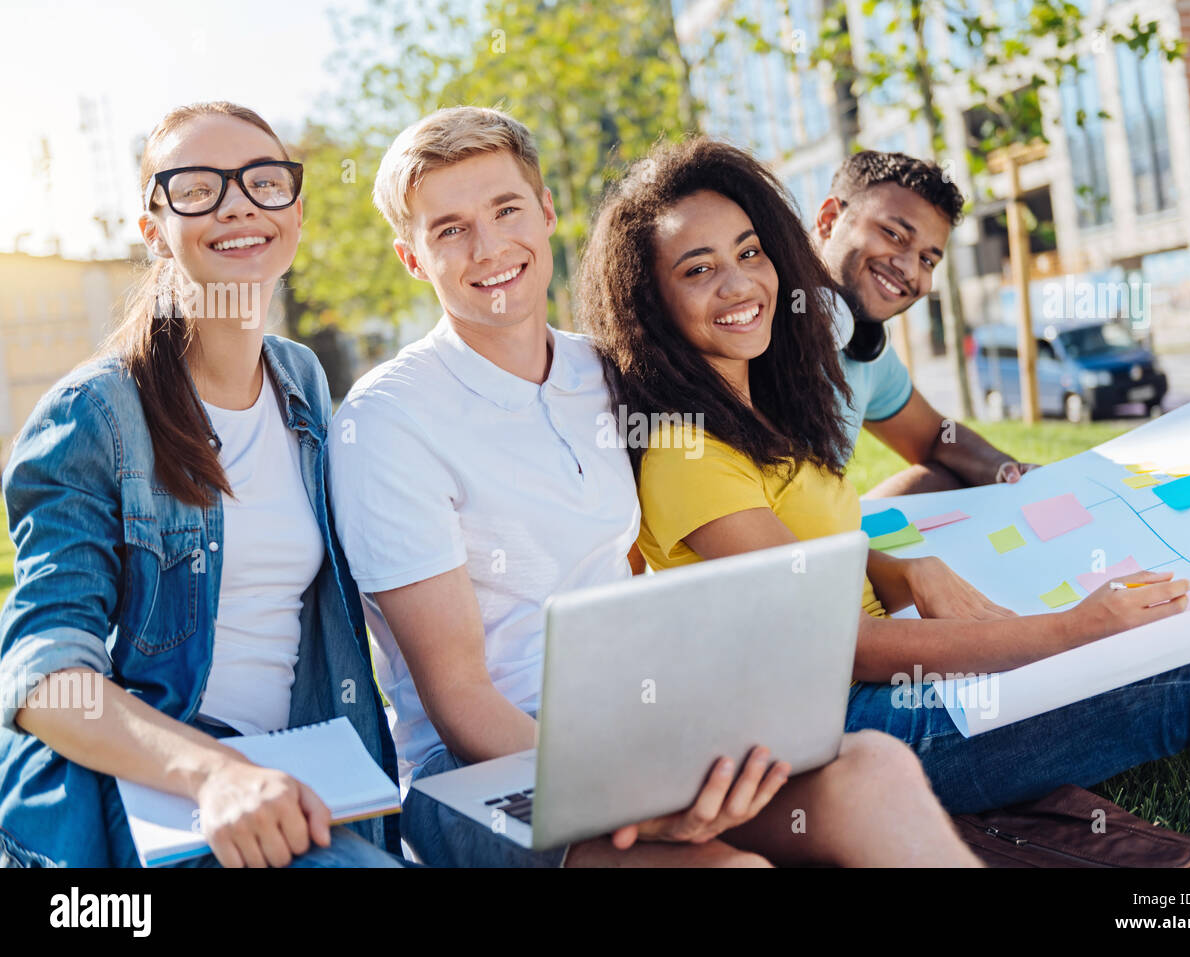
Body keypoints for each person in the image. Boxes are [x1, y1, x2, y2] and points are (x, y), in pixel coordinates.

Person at [328, 106, 980, 867]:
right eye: (450, 229)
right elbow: (463, 700)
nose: (490, 245)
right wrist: (631, 792)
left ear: (545, 212)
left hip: (648, 720)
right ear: (413, 257)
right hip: (488, 773)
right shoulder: (388, 421)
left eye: (507, 209)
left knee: (876, 770)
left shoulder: (606, 373)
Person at [581, 135, 1190, 817]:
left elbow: (824, 543)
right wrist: (1075, 629)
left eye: (749, 252)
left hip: (882, 669)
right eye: (699, 269)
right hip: (851, 725)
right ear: (652, 300)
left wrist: (905, 572)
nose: (740, 283)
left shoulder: (768, 404)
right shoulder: (686, 453)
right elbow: (848, 648)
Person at [0, 102, 402, 868]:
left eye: (263, 181)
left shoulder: (301, 381)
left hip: (300, 771)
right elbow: (46, 673)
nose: (239, 203)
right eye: (197, 188)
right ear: (152, 229)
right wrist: (215, 774)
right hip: (161, 797)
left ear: (297, 211)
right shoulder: (94, 415)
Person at [812, 150, 1036, 497]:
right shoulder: (749, 318)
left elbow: (936, 438)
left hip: (820, 535)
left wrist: (1007, 469)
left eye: (927, 259)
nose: (908, 269)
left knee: (947, 480)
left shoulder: (864, 346)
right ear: (828, 220)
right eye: (894, 234)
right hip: (751, 544)